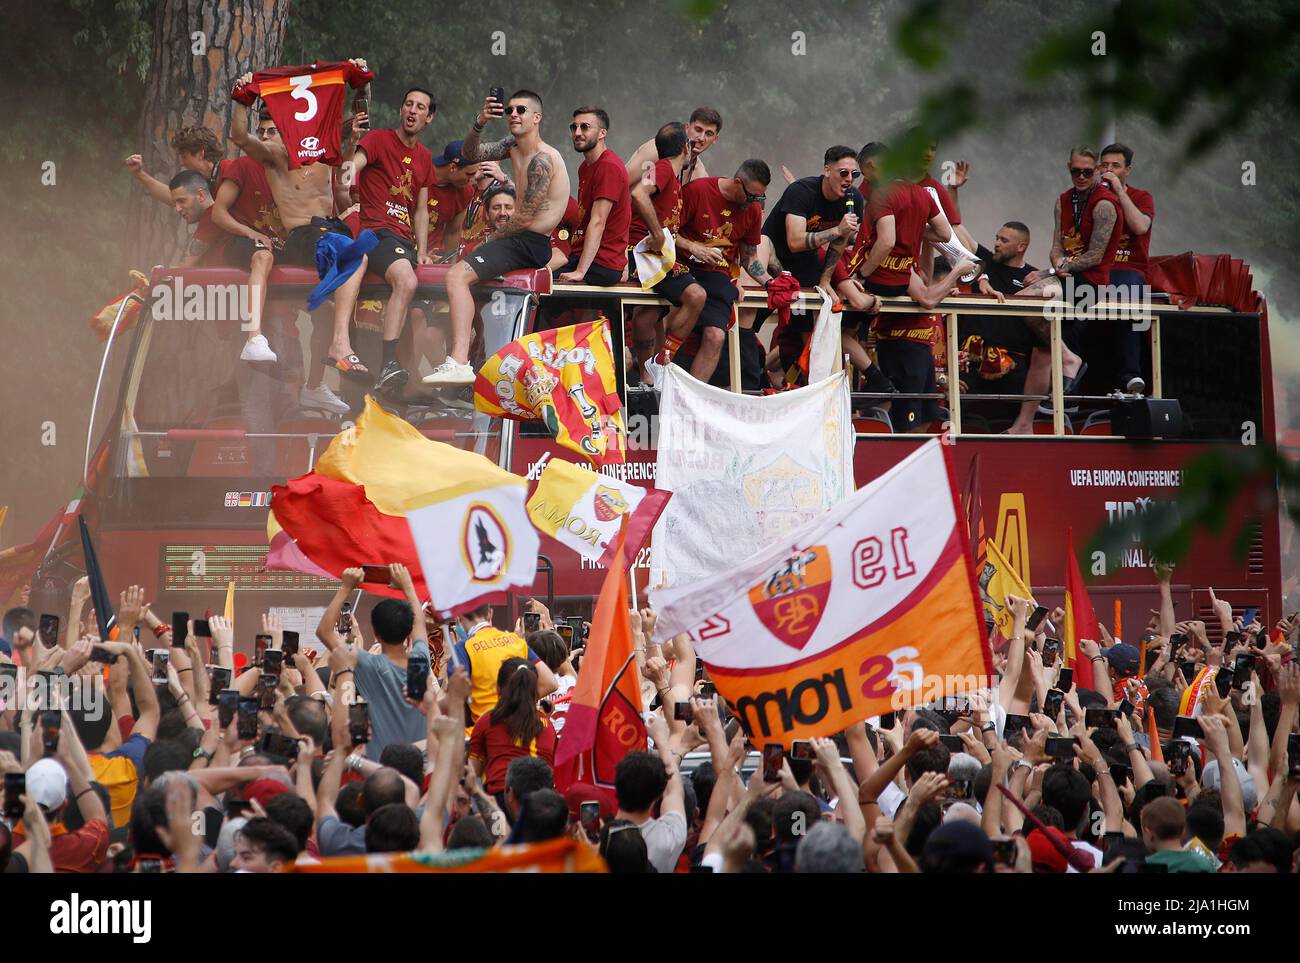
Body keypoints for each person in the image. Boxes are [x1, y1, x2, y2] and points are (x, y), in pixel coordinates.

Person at [229, 63, 371, 381]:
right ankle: (339, 345)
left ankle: (329, 366)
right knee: (355, 255)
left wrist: (359, 79)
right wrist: (241, 97)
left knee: (366, 255)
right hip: (303, 234)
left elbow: (358, 113)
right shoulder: (274, 157)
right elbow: (239, 135)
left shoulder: (323, 151)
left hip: (331, 228)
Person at [434, 89, 572, 385]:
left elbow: (524, 217)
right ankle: (473, 361)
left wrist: (487, 242)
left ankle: (458, 361)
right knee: (462, 279)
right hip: (519, 239)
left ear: (537, 118)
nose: (513, 115)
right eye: (509, 110)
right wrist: (479, 122)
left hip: (529, 242)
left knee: (457, 276)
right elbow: (469, 155)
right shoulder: (512, 146)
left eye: (521, 110)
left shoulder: (543, 160)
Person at [1022, 146, 1122, 413]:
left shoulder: (1104, 205)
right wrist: (1054, 266)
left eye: (1087, 172)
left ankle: (1069, 364)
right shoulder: (1063, 200)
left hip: (1090, 283)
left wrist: (1055, 270)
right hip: (1066, 277)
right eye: (1076, 171)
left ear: (1098, 170)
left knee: (1028, 300)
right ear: (1069, 167)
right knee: (1025, 312)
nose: (1081, 176)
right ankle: (1030, 417)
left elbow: (1097, 256)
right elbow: (1056, 246)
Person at [352, 87, 437, 396]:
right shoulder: (377, 139)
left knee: (418, 307)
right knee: (406, 280)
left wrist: (424, 251)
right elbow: (353, 166)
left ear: (429, 117)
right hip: (376, 233)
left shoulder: (425, 158)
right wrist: (349, 158)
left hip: (404, 242)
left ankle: (417, 384)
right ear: (401, 110)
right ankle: (388, 364)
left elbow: (421, 211)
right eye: (408, 105)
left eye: (420, 107)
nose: (413, 111)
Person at [672, 159, 777, 383]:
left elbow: (750, 257)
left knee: (716, 336)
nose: (754, 203)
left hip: (718, 275)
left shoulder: (753, 210)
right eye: (751, 196)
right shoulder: (698, 191)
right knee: (674, 323)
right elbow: (667, 232)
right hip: (683, 267)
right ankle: (661, 382)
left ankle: (693, 398)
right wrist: (693, 247)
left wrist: (770, 282)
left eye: (760, 198)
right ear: (737, 183)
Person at [317, 564, 430, 760]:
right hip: (420, 765)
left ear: (375, 633)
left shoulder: (367, 664)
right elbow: (419, 624)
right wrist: (408, 586)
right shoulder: (420, 661)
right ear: (408, 632)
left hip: (381, 768)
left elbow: (324, 632)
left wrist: (346, 588)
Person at [626, 121, 706, 380]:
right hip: (644, 252)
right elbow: (638, 193)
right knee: (696, 296)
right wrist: (659, 234)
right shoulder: (661, 169)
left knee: (647, 315)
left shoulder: (667, 172)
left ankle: (648, 374)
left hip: (655, 255)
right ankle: (662, 363)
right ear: (685, 147)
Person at [209, 109, 286, 365]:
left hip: (281, 247)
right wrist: (252, 233)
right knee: (263, 256)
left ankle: (320, 380)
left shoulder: (296, 171)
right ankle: (253, 338)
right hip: (242, 242)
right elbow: (218, 214)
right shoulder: (243, 165)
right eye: (261, 131)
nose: (265, 137)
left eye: (272, 132)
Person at [1099, 142, 1156, 393]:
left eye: (1116, 166)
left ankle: (1131, 375)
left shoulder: (1141, 197)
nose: (1108, 170)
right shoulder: (1089, 196)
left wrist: (1119, 193)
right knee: (1062, 299)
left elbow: (1140, 227)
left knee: (1129, 296)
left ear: (1128, 170)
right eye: (1105, 165)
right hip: (1095, 269)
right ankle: (1068, 372)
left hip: (1128, 270)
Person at [449, 603, 558, 727]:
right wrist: (519, 704)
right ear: (490, 613)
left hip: (480, 735)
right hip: (516, 728)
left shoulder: (462, 648)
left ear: (458, 618)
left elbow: (455, 698)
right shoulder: (516, 640)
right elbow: (550, 683)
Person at [555, 107, 631, 286]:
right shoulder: (585, 167)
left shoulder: (608, 167)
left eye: (585, 127)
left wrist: (580, 271)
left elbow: (598, 222)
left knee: (539, 281)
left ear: (602, 133)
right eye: (574, 127)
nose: (578, 132)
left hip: (600, 264)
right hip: (584, 257)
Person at [468, 658, 558, 802]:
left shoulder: (488, 720)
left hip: (501, 798)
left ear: (498, 688)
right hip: (543, 806)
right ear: (535, 691)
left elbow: (472, 775)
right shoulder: (548, 726)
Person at [613, 714, 687, 874]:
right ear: (657, 795)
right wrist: (661, 739)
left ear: (616, 788)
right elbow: (674, 791)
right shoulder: (669, 838)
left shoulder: (596, 841)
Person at [125, 125, 228, 205]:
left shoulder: (230, 171)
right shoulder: (203, 181)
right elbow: (173, 198)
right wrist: (139, 174)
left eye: (184, 156)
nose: (182, 163)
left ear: (201, 154)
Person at [626, 107, 722, 187]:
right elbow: (621, 182)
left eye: (709, 134)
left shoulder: (700, 174)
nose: (701, 138)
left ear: (715, 139)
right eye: (698, 130)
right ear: (687, 128)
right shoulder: (657, 149)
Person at [168, 170, 225, 268]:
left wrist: (160, 277)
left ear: (201, 195)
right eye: (175, 203)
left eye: (182, 201)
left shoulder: (212, 217)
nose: (177, 209)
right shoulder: (212, 215)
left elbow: (185, 267)